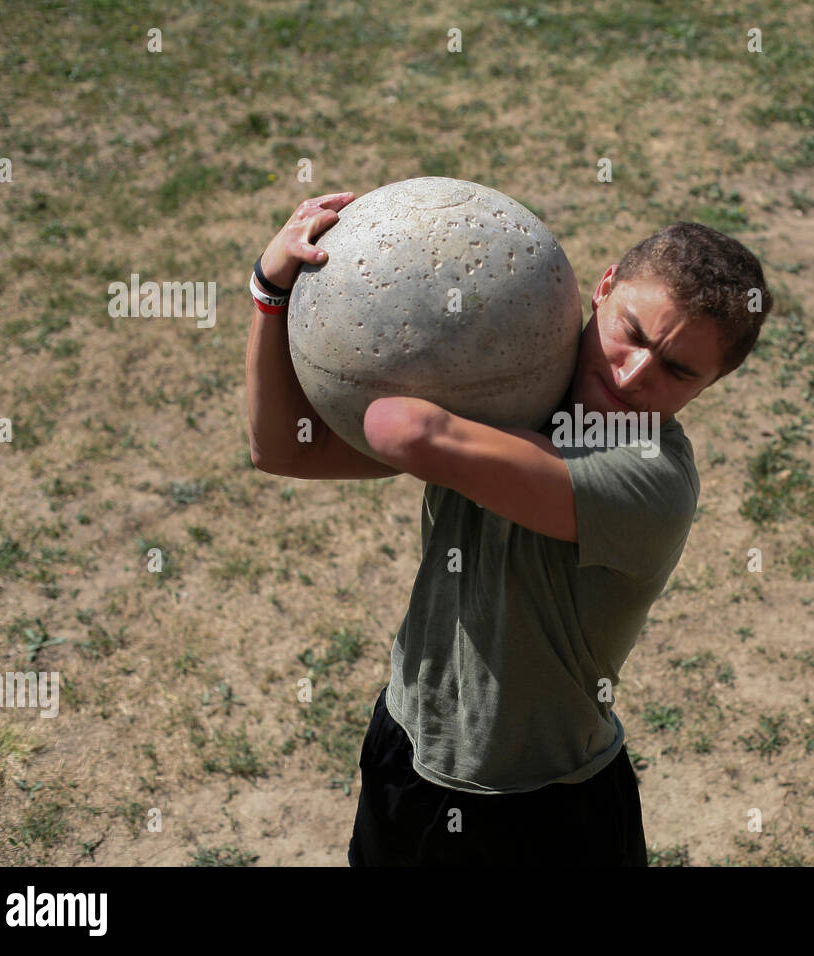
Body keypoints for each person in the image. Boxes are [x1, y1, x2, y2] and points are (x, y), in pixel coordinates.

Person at [246, 190, 773, 865]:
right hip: (408, 741)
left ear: (708, 388)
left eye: (676, 371)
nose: (633, 374)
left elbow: (401, 429)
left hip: (545, 809)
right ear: (603, 287)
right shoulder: (511, 391)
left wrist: (456, 345)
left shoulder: (650, 483)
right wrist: (271, 292)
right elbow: (282, 451)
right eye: (633, 334)